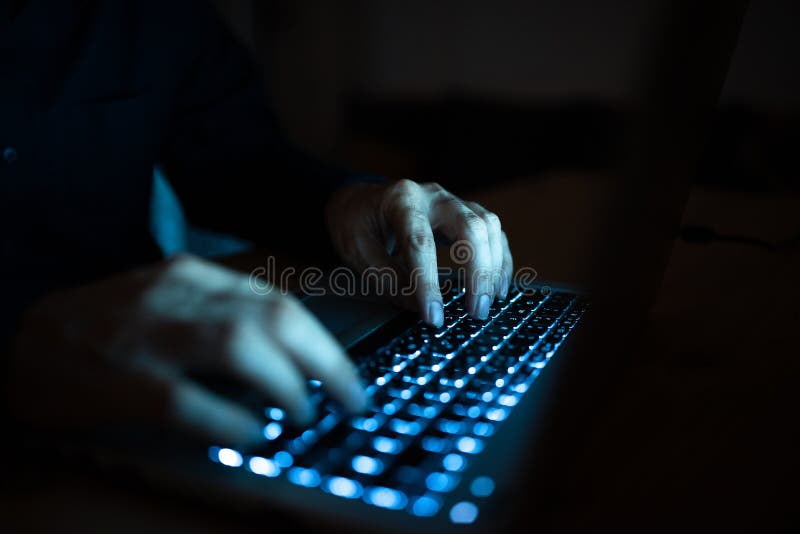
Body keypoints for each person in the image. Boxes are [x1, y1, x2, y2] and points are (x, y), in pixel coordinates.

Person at [1, 0, 513, 445]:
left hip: (165, 392)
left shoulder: (152, 10)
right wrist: (20, 341)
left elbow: (237, 160)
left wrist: (345, 200)